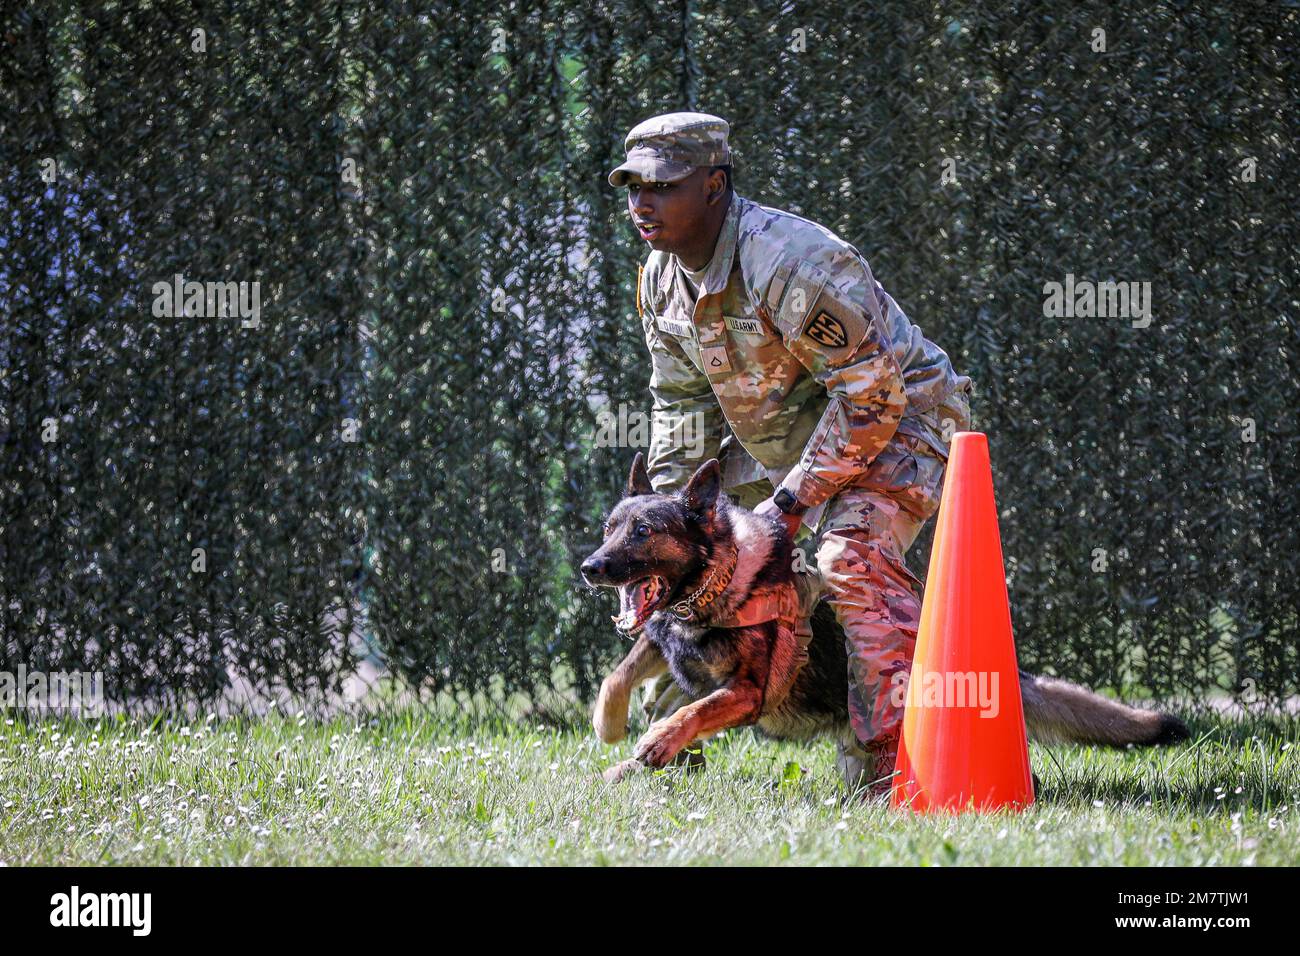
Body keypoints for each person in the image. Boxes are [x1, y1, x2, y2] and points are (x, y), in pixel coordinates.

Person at [608, 111, 973, 795]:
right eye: (631, 188)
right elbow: (679, 402)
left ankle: (893, 767)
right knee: (676, 554)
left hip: (901, 422)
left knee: (848, 560)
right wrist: (671, 520)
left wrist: (790, 505)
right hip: (788, 440)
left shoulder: (789, 260)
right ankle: (675, 735)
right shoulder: (661, 279)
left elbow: (873, 396)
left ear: (714, 185)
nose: (641, 204)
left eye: (661, 186)